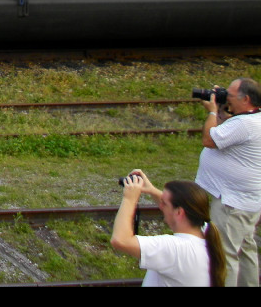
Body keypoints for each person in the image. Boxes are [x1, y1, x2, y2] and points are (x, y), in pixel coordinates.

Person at [196, 76, 261, 287]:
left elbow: (209, 139)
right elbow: (230, 132)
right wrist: (223, 114)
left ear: (246, 99)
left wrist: (213, 112)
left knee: (224, 255)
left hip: (231, 203)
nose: (226, 98)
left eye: (230, 96)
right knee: (245, 250)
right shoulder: (252, 120)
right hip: (247, 202)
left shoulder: (245, 124)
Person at [111, 171, 226, 287]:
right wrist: (151, 189)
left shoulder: (175, 249)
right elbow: (183, 204)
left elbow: (120, 240)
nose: (160, 206)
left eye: (164, 203)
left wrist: (129, 199)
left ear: (179, 212)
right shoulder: (204, 231)